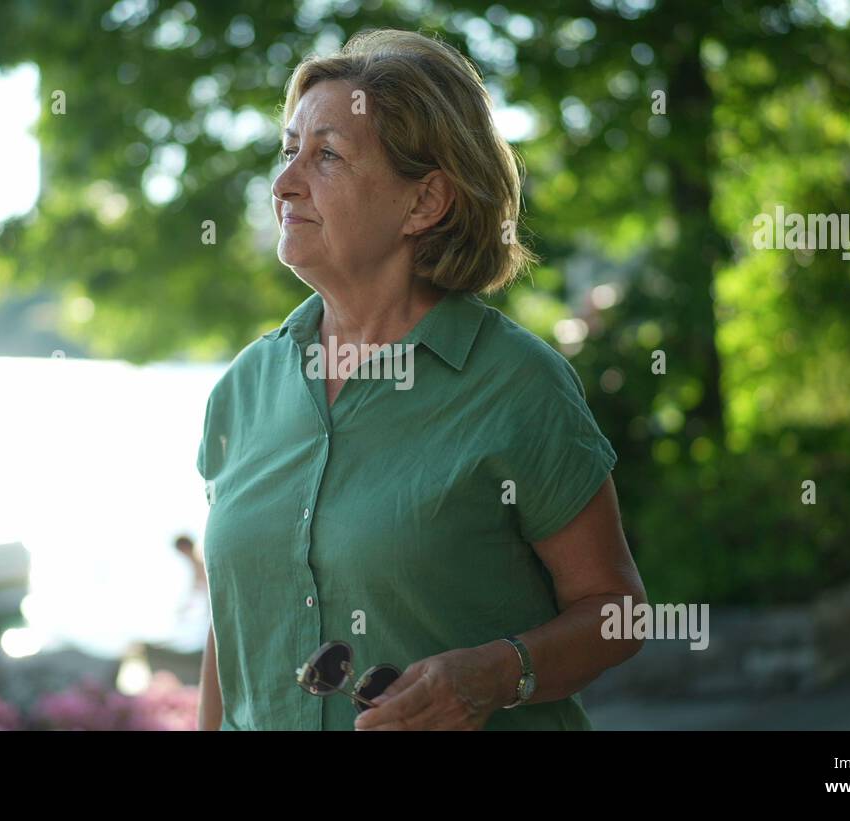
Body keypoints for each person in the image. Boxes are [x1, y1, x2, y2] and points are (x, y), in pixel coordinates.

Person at [196, 29, 647, 731]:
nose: (284, 183)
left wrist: (498, 674)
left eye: (327, 157)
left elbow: (616, 613)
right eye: (289, 151)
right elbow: (232, 627)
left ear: (425, 201)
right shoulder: (244, 387)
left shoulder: (518, 385)